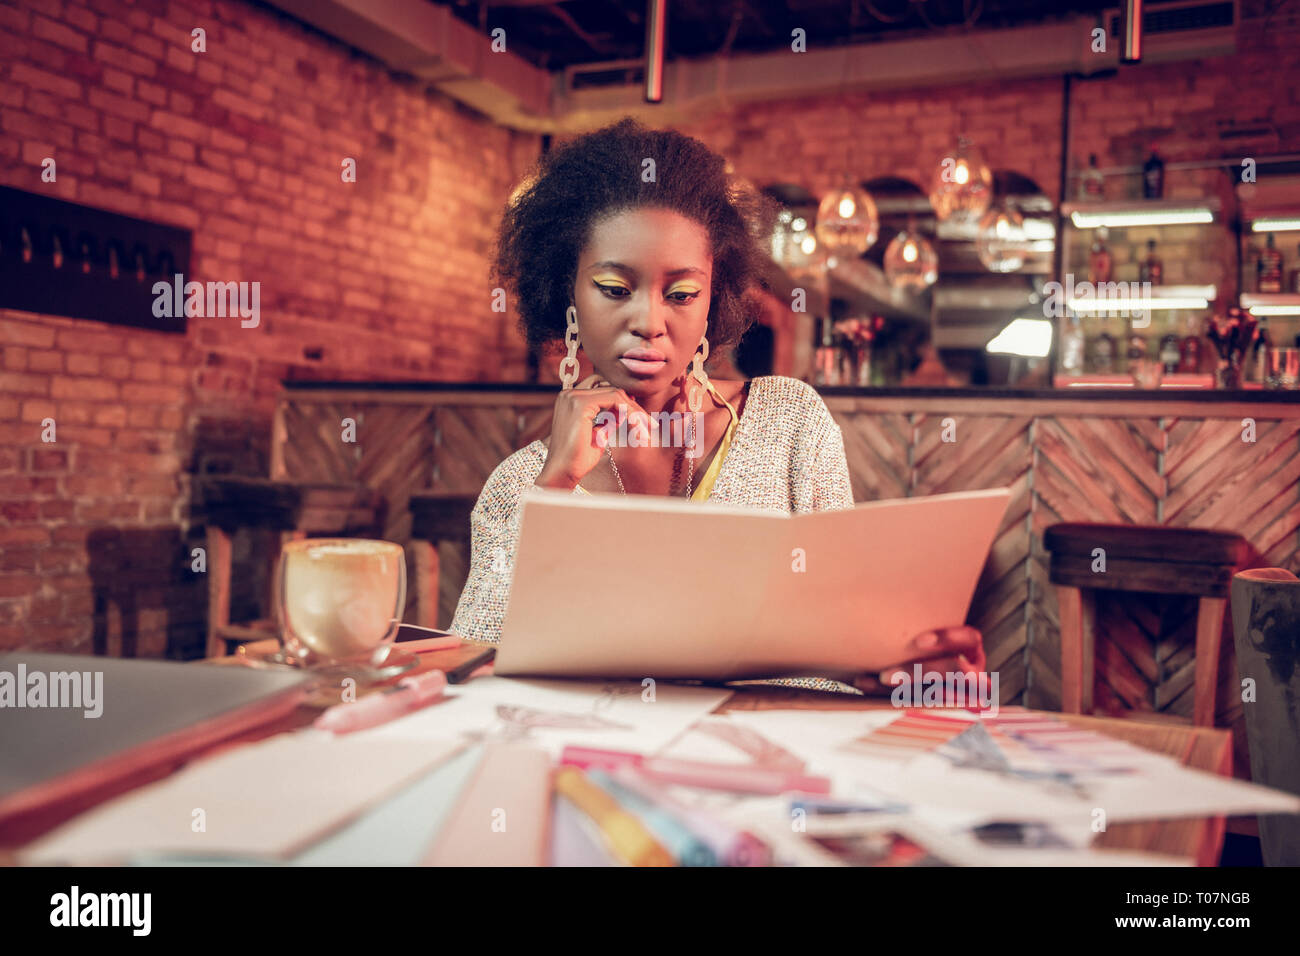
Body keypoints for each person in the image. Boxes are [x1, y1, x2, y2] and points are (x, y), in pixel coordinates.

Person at [451, 117, 984, 694]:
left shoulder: (790, 425)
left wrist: (901, 667)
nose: (649, 322)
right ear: (568, 296)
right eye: (614, 289)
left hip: (782, 742)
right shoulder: (519, 485)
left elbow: (845, 638)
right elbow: (475, 678)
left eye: (682, 293)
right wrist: (555, 486)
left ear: (713, 300)